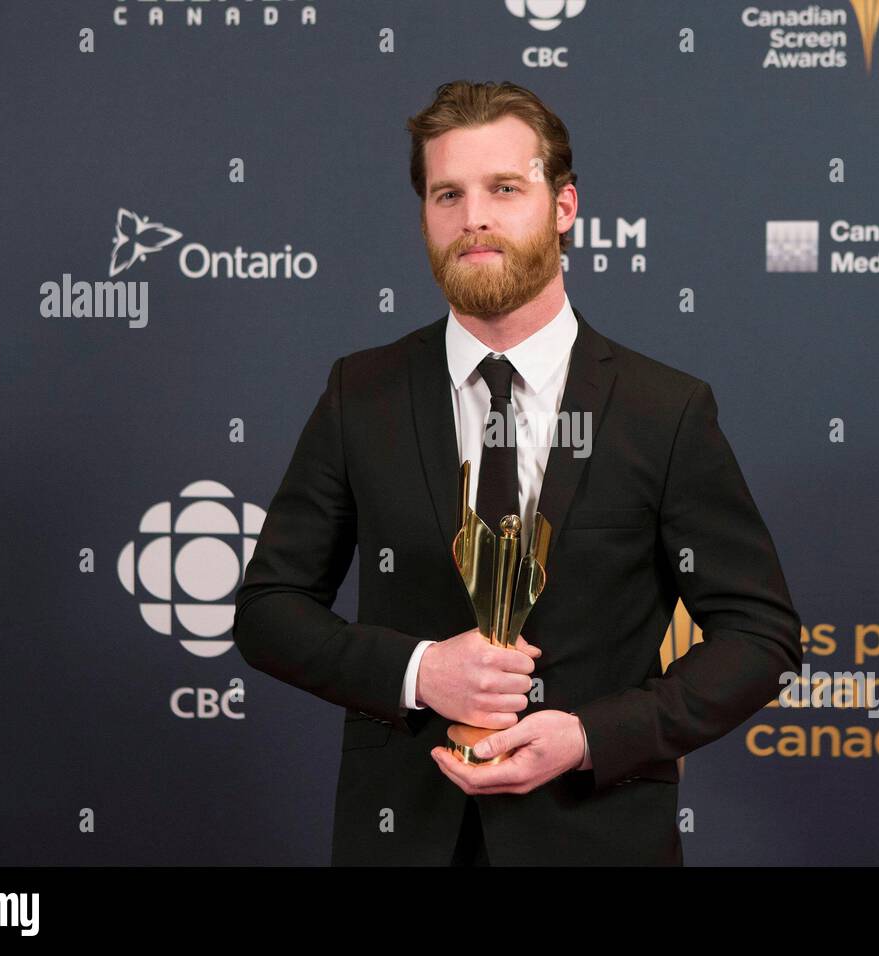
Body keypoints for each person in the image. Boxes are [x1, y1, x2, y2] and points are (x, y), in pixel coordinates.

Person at [232, 79, 802, 866]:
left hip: (599, 840)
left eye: (505, 188)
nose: (474, 219)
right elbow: (269, 609)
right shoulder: (361, 394)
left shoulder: (662, 409)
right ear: (425, 216)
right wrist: (421, 671)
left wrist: (591, 737)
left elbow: (759, 634)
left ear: (563, 206)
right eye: (447, 195)